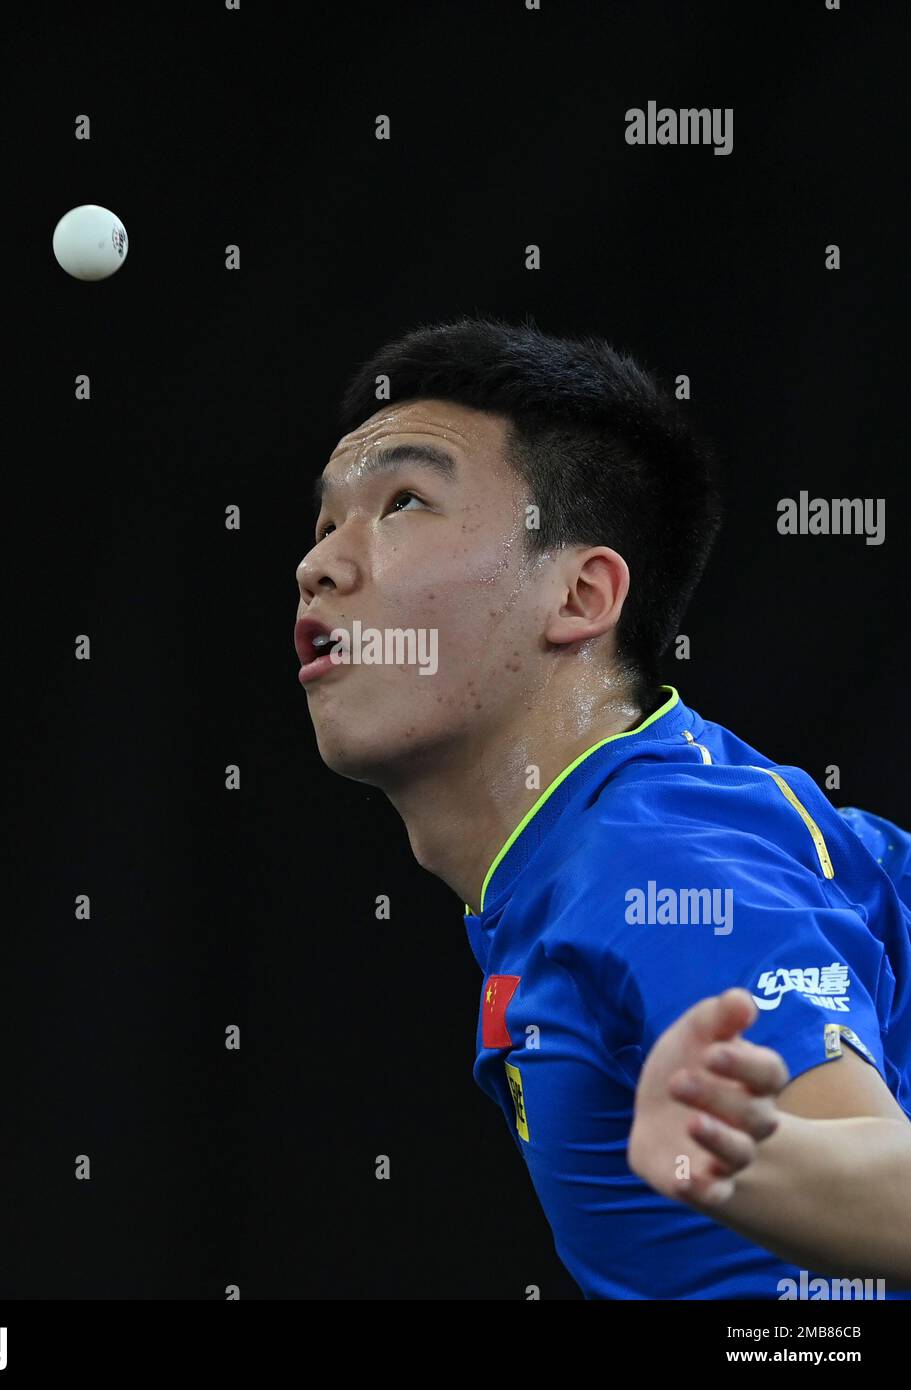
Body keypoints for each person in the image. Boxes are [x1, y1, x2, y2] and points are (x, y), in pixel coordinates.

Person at [293, 315, 911, 1299]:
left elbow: (889, 1193)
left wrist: (749, 1159)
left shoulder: (654, 866)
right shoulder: (567, 854)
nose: (318, 565)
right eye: (325, 523)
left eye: (402, 502)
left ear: (580, 595)